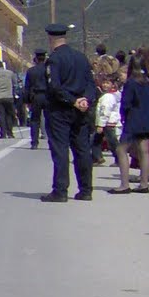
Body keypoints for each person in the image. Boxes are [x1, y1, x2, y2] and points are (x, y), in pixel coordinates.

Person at [42, 22, 97, 203]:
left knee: (60, 150)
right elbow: (91, 83)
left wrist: (72, 101)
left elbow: (54, 87)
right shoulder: (81, 57)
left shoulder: (54, 60)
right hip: (81, 110)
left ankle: (60, 190)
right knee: (82, 150)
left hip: (60, 110)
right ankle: (86, 189)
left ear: (51, 38)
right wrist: (85, 100)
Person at [119, 49, 149, 192]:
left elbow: (126, 103)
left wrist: (123, 116)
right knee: (144, 151)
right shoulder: (148, 81)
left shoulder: (131, 83)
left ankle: (124, 184)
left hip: (134, 118)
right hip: (147, 117)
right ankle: (144, 184)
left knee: (121, 149)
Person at [24, 50, 50, 149]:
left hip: (35, 96)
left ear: (35, 59)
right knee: (49, 119)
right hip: (47, 96)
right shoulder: (48, 70)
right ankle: (51, 141)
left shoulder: (31, 71)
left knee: (35, 120)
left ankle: (34, 142)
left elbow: (27, 87)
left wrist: (27, 101)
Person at [0, 62, 17, 139]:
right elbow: (15, 83)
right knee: (9, 114)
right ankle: (10, 133)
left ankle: (3, 133)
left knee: (1, 115)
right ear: (3, 66)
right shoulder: (10, 73)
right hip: (8, 96)